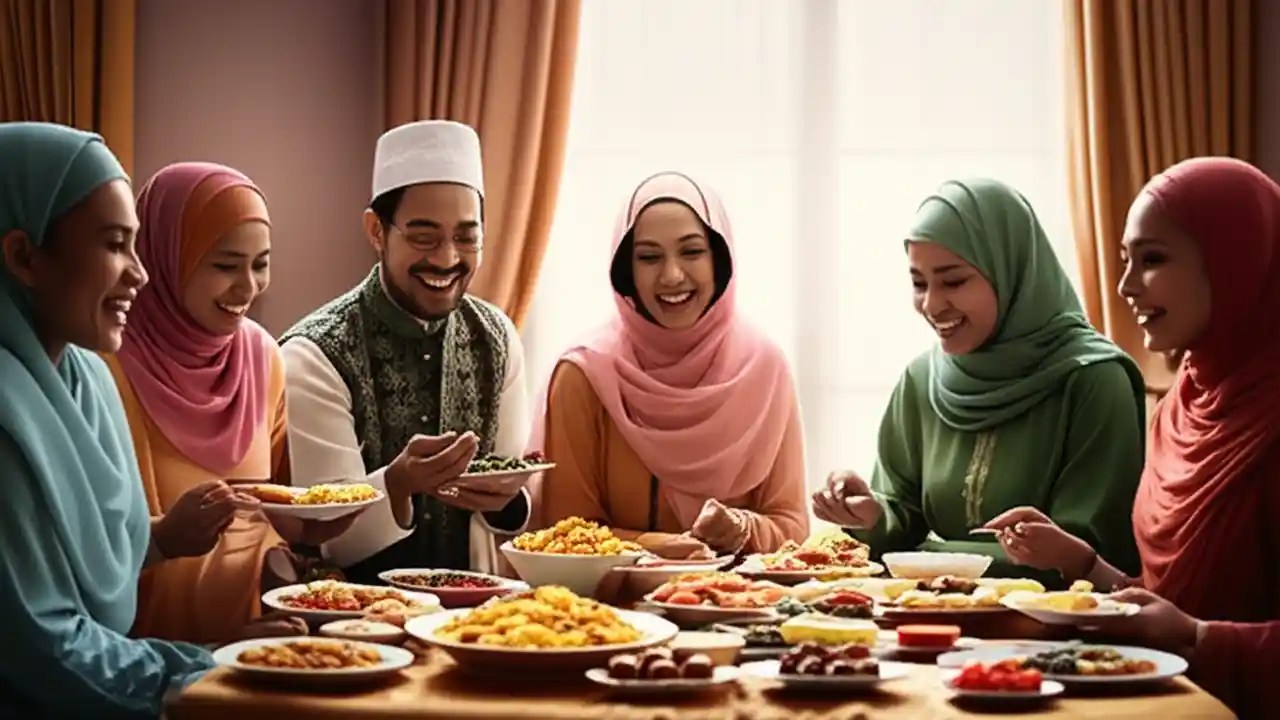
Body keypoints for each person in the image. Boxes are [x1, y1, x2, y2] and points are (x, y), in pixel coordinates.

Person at [983, 157, 1280, 718]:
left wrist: (1201, 639)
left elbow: (1190, 624)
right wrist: (1084, 563)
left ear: (1233, 263)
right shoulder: (1179, 408)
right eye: (1125, 261)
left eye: (1153, 260)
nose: (1124, 286)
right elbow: (1169, 608)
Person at [812, 178, 1146, 585]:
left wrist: (928, 558)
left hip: (1054, 629)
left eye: (953, 281)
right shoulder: (922, 379)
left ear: (1011, 271)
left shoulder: (1093, 379)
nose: (931, 305)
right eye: (919, 283)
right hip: (928, 617)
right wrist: (872, 514)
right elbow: (902, 522)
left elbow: (1085, 552)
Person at [0, 122, 214, 717]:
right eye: (114, 244)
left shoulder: (86, 377)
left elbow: (71, 541)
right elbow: (38, 644)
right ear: (23, 255)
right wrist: (212, 671)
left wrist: (160, 538)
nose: (139, 274)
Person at [105, 162, 354, 644]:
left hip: (253, 648)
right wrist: (163, 535)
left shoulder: (264, 359)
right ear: (164, 258)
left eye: (260, 263)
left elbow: (266, 513)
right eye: (224, 265)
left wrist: (305, 537)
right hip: (138, 663)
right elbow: (84, 548)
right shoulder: (105, 365)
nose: (248, 287)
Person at [280, 120, 531, 582]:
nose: (446, 258)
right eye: (423, 237)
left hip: (478, 617)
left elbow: (508, 512)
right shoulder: (314, 354)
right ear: (377, 231)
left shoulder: (497, 339)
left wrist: (509, 501)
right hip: (352, 628)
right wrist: (397, 485)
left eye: (465, 236)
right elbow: (322, 532)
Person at [529, 171, 809, 559]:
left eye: (692, 252)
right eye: (648, 257)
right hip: (609, 615)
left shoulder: (765, 368)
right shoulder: (584, 375)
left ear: (719, 258)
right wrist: (665, 548)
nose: (672, 275)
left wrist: (744, 529)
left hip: (740, 608)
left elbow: (791, 525)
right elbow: (563, 532)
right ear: (626, 270)